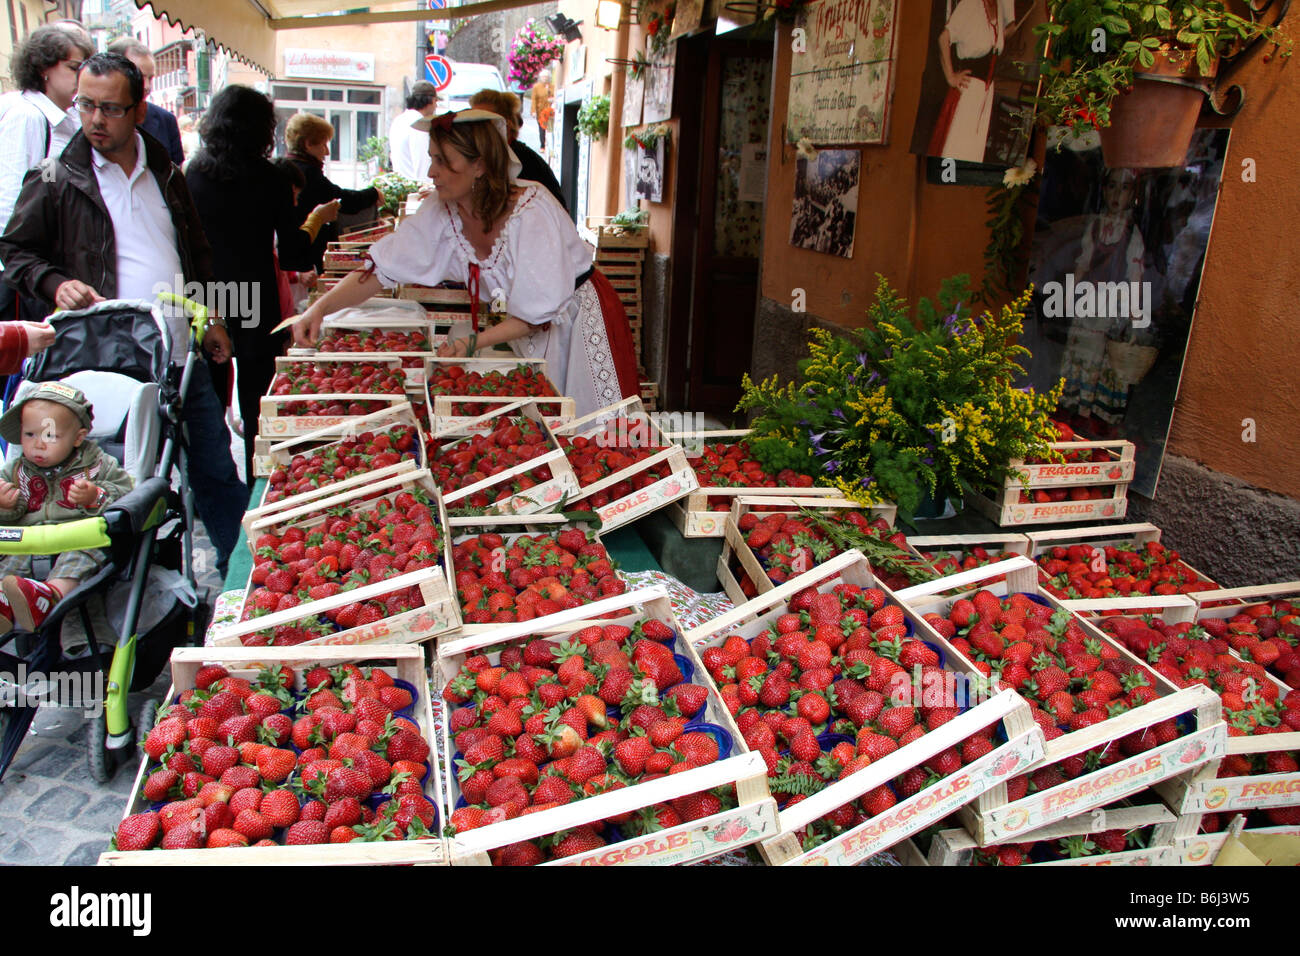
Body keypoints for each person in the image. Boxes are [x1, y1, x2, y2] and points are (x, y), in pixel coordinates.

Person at [0, 52, 247, 579]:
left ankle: (239, 581)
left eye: (109, 108)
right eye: (85, 104)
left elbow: (194, 257)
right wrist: (55, 283)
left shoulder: (166, 173)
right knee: (125, 487)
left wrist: (212, 319)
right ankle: (117, 593)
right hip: (107, 364)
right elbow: (16, 252)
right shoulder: (55, 177)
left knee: (216, 473)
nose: (94, 119)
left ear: (138, 110)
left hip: (178, 355)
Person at [291, 110, 640, 416]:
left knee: (595, 428)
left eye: (443, 160)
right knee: (547, 423)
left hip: (579, 321)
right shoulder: (443, 212)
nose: (431, 171)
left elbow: (536, 313)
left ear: (480, 164)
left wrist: (472, 343)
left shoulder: (532, 209)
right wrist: (319, 309)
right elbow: (381, 268)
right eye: (431, 158)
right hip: (531, 328)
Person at [187, 88, 336, 480]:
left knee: (210, 397)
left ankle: (211, 481)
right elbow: (292, 254)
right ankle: (262, 478)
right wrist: (316, 221)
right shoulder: (268, 177)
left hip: (208, 294)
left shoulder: (194, 172)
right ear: (263, 130)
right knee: (258, 400)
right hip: (255, 292)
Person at [0, 383, 133, 632]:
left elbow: (126, 492)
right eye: (30, 435)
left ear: (78, 438)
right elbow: (8, 517)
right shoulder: (15, 471)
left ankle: (49, 597)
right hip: (26, 543)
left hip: (75, 538)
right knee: (7, 558)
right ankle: (5, 603)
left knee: (81, 557)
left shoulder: (97, 464)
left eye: (50, 436)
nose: (38, 445)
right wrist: (5, 505)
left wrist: (95, 495)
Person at [0, 25, 94, 322]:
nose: (80, 77)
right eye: (73, 67)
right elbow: (10, 197)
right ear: (44, 68)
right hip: (19, 274)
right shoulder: (27, 115)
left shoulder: (60, 118)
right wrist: (17, 264)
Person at [927, 0, 1029, 163]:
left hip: (986, 92)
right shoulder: (971, 4)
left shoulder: (1000, 8)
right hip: (968, 90)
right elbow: (943, 38)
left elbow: (995, 40)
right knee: (956, 149)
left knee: (974, 151)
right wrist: (951, 77)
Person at [284, 113, 379, 274]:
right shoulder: (308, 174)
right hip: (305, 262)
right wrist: (373, 193)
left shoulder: (290, 167)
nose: (327, 152)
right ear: (308, 144)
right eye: (323, 144)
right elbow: (344, 200)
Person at [469, 88, 566, 210]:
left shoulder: (524, 160)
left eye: (483, 122)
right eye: (471, 123)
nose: (475, 129)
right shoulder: (478, 158)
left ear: (505, 125)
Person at [107, 37, 185, 168]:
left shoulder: (166, 121)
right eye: (141, 76)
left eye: (151, 78)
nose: (147, 86)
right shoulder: (97, 120)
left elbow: (176, 177)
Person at [389, 80, 438, 181]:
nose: (436, 106)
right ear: (432, 101)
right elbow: (423, 165)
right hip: (416, 191)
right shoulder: (419, 123)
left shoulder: (399, 120)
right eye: (436, 102)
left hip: (402, 186)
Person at [531, 76, 553, 152]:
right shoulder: (536, 87)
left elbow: (555, 96)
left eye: (547, 77)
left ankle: (549, 146)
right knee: (542, 128)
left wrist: (550, 93)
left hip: (550, 111)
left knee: (550, 128)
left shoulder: (552, 86)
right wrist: (533, 111)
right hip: (540, 111)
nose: (545, 79)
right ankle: (542, 145)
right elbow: (534, 99)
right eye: (544, 77)